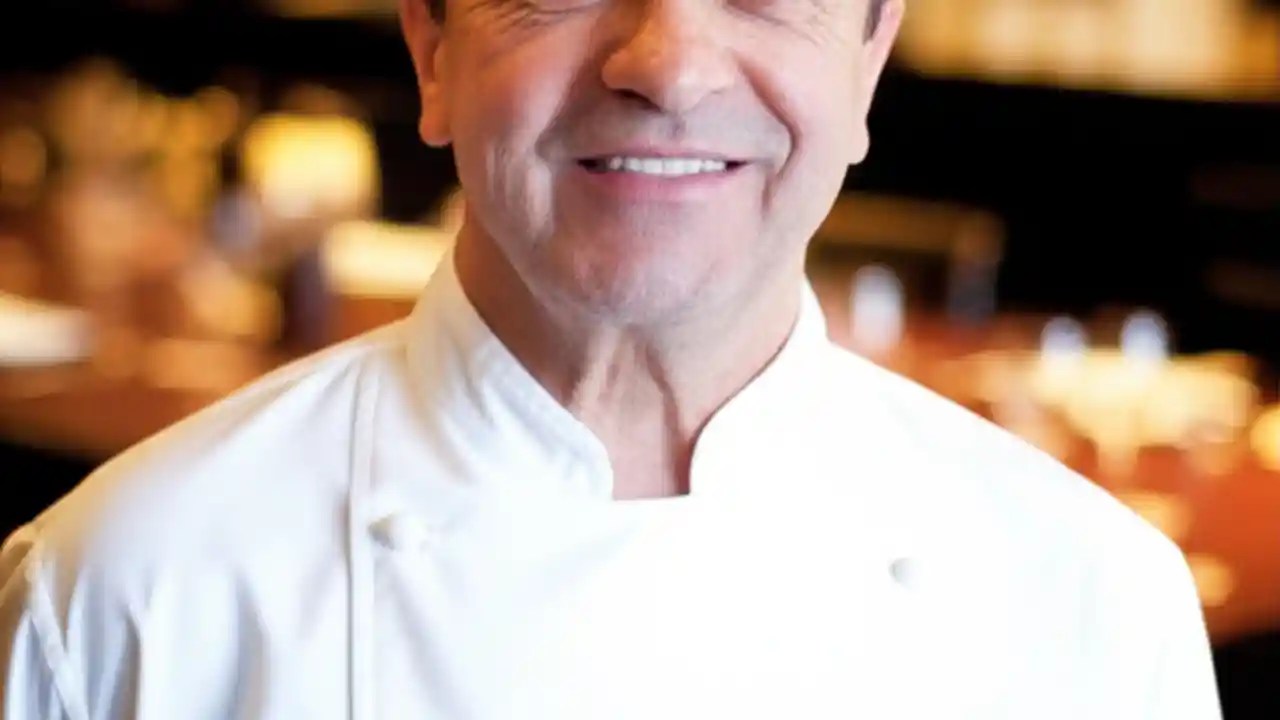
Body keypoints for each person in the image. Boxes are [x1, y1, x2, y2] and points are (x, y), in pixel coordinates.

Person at [1, 0, 1221, 717]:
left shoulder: (1096, 615)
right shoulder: (121, 595)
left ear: (866, 58)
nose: (667, 62)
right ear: (430, 46)